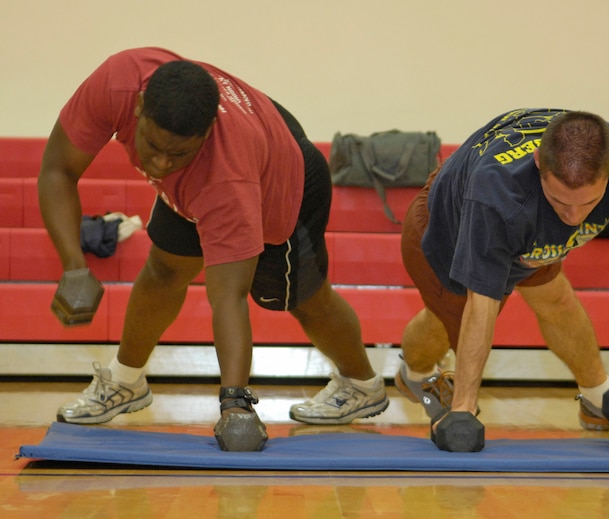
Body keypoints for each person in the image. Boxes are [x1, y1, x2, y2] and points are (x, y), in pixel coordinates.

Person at [38, 47, 388, 448]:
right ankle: (125, 381)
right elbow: (57, 170)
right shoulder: (120, 80)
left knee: (304, 300)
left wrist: (234, 404)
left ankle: (362, 384)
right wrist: (73, 267)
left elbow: (227, 298)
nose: (159, 164)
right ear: (138, 107)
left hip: (284, 177)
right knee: (164, 271)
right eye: (151, 146)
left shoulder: (226, 178)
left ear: (205, 136)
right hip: (219, 163)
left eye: (177, 153)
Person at [394, 108, 609, 442]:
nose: (574, 217)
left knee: (557, 299)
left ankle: (596, 397)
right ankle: (416, 376)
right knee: (452, 318)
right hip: (447, 222)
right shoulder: (497, 192)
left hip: (527, 220)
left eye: (587, 203)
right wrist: (463, 408)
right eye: (561, 201)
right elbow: (483, 301)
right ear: (538, 164)